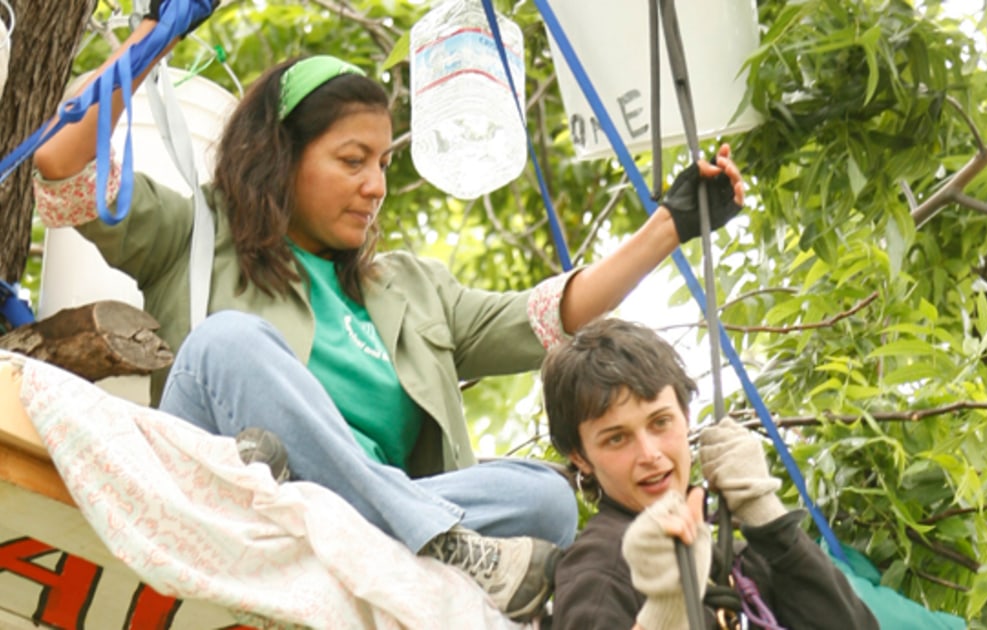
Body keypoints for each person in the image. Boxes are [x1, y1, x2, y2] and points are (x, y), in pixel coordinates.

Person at [29, 5, 746, 623]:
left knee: (547, 498)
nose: (375, 186)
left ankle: (395, 521)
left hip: (360, 516)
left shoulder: (411, 290)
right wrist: (159, 30)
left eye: (381, 163)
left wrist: (668, 228)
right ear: (280, 157)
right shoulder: (197, 235)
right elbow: (64, 164)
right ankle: (429, 535)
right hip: (225, 484)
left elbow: (549, 317)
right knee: (227, 343)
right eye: (352, 160)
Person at [541, 318, 879, 629]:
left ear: (686, 416)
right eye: (617, 438)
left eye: (660, 422)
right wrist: (663, 611)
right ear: (580, 456)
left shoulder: (733, 556)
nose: (650, 454)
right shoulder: (600, 569)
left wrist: (766, 514)